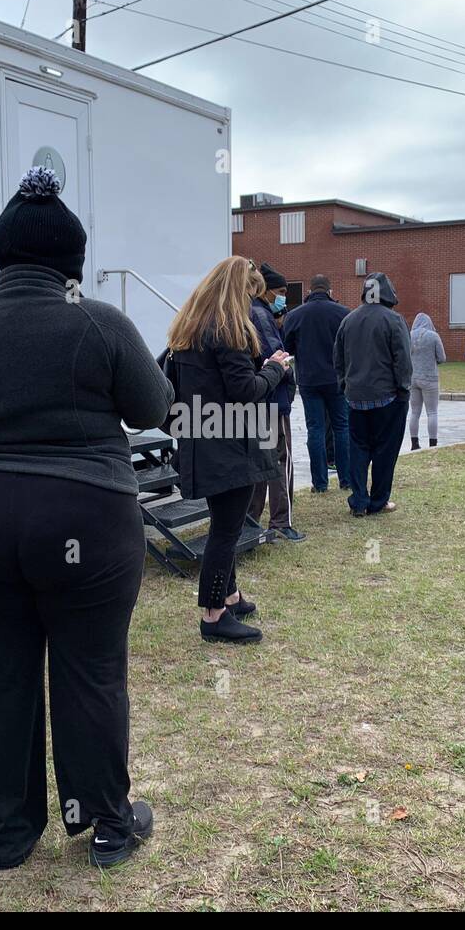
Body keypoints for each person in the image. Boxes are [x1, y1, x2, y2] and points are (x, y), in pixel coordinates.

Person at [0, 166, 172, 872]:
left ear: (0, 257)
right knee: (91, 668)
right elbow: (152, 410)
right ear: (74, 262)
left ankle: (6, 835)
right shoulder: (101, 323)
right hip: (86, 515)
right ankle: (105, 826)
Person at [165, 257, 292, 644]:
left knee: (227, 523)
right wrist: (275, 368)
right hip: (228, 443)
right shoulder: (229, 333)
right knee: (226, 530)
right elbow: (244, 391)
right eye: (250, 294)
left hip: (201, 437)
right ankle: (213, 614)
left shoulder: (188, 330)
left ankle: (230, 596)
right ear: (238, 291)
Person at [334, 271, 412, 515]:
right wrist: (403, 388)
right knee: (385, 451)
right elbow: (402, 360)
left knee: (358, 449)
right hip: (387, 397)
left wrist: (344, 385)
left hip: (355, 397)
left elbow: (338, 358)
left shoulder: (348, 320)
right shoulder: (394, 320)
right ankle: (378, 501)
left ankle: (358, 500)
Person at [246, 264, 303, 541]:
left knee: (259, 461)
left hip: (255, 400)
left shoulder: (247, 312)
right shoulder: (262, 315)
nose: (283, 297)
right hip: (273, 399)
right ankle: (282, 521)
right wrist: (288, 374)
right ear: (266, 290)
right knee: (281, 459)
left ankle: (251, 519)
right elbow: (277, 357)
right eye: (280, 292)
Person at [282, 273, 351, 492]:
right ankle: (346, 479)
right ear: (330, 292)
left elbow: (288, 348)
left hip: (310, 380)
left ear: (309, 292)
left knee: (316, 429)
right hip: (336, 380)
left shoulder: (295, 315)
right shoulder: (343, 314)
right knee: (342, 427)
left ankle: (319, 483)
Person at [408, 312, 446, 449]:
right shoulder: (433, 336)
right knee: (432, 412)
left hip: (413, 378)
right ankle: (433, 443)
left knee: (414, 412)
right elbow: (442, 358)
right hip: (430, 378)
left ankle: (414, 443)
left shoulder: (409, 336)